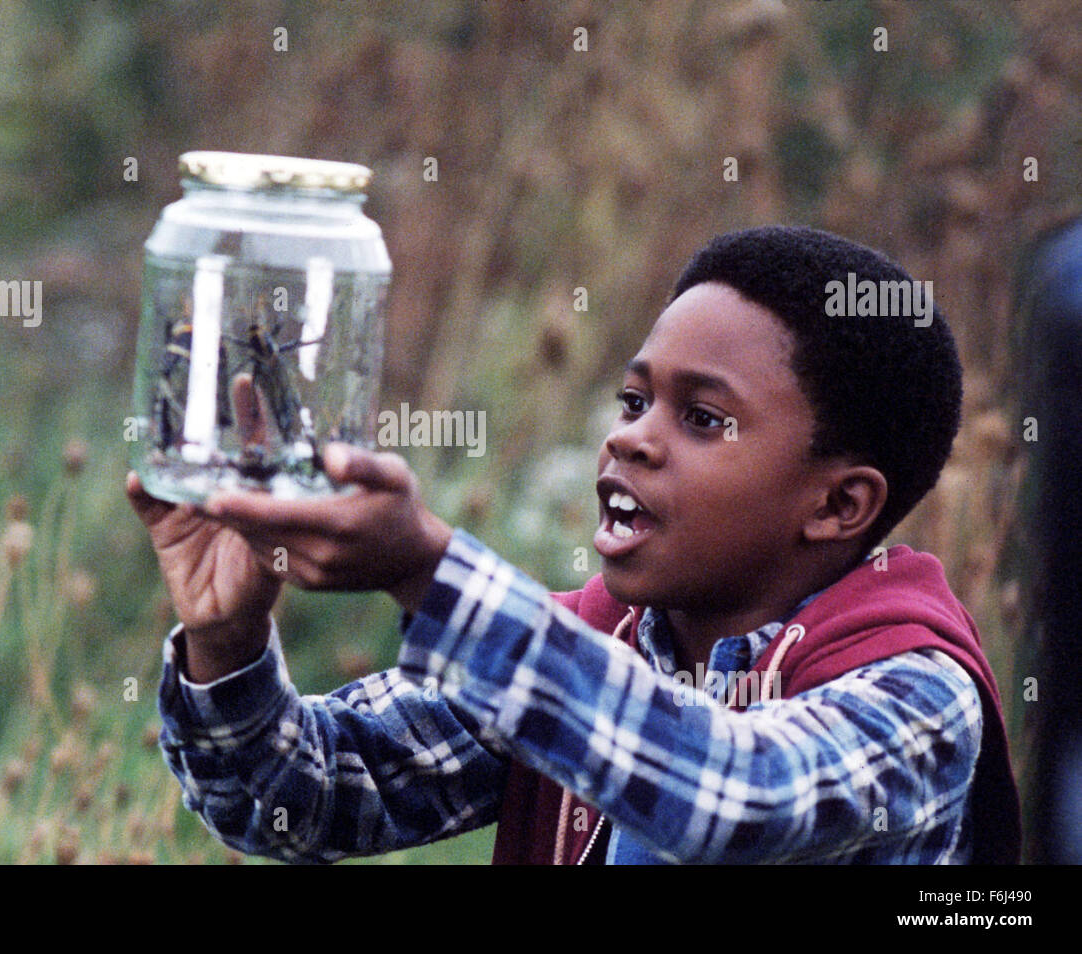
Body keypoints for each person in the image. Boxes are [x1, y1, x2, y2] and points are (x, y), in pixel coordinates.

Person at [127, 225, 1021, 864]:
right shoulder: (586, 655)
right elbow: (303, 802)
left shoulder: (916, 692)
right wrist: (227, 638)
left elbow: (729, 799)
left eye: (703, 419)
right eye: (635, 402)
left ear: (839, 505)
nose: (630, 439)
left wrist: (427, 572)